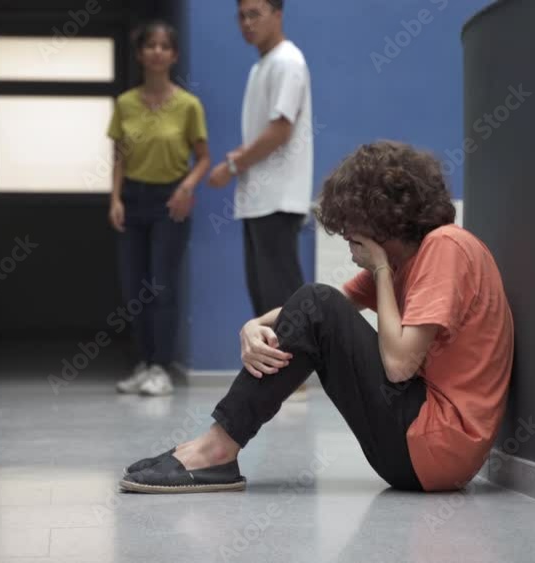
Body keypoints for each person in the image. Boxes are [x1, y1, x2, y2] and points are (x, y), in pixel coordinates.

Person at [119, 141, 514, 493]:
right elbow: (312, 312)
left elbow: (398, 366)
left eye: (352, 234)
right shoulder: (403, 259)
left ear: (379, 220)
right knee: (317, 302)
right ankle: (215, 443)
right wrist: (254, 325)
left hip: (436, 445)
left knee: (318, 301)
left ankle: (217, 448)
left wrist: (377, 269)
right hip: (419, 445)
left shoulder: (445, 247)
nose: (348, 244)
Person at [208, 0, 315, 399]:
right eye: (242, 15)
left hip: (279, 195)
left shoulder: (289, 61)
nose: (248, 22)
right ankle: (282, 373)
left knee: (282, 293)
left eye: (256, 13)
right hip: (256, 197)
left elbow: (279, 131)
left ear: (278, 14)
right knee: (263, 291)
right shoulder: (260, 67)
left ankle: (298, 374)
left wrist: (233, 166)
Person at [108, 21, 211, 396]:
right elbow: (118, 156)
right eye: (149, 46)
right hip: (133, 199)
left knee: (161, 285)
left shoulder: (188, 105)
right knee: (134, 287)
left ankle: (161, 367)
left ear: (174, 55)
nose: (156, 52)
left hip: (170, 200)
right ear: (139, 54)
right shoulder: (125, 104)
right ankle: (143, 362)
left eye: (164, 46)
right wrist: (115, 199)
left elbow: (203, 158)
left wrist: (186, 186)